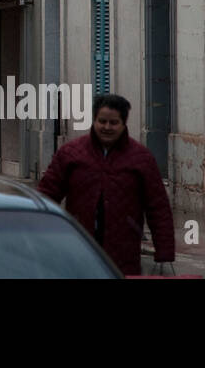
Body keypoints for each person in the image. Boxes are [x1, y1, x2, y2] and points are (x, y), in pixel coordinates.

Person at [36, 93, 176, 276]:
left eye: (113, 122)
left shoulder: (141, 159)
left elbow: (158, 207)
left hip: (123, 254)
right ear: (94, 120)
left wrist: (164, 252)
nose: (107, 127)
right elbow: (46, 196)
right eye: (102, 121)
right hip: (79, 249)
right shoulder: (71, 154)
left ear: (123, 123)